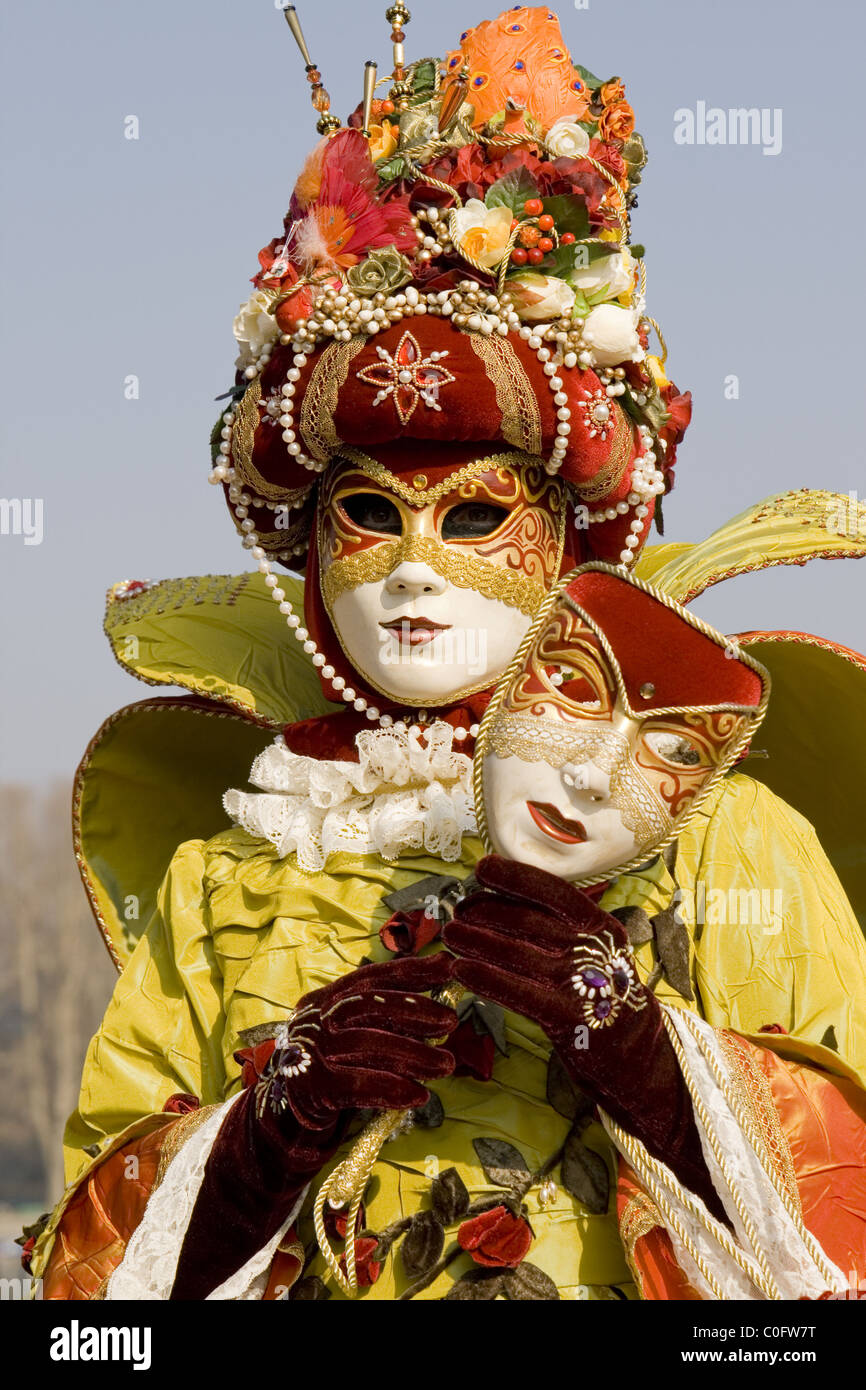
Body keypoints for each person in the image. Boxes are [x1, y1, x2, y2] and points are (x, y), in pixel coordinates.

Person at [31, 4, 866, 1300]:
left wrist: (647, 1057)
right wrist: (265, 1135)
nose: (415, 567)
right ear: (304, 550)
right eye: (366, 515)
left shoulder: (721, 845)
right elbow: (85, 1316)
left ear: (571, 539)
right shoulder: (220, 888)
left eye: (474, 515)